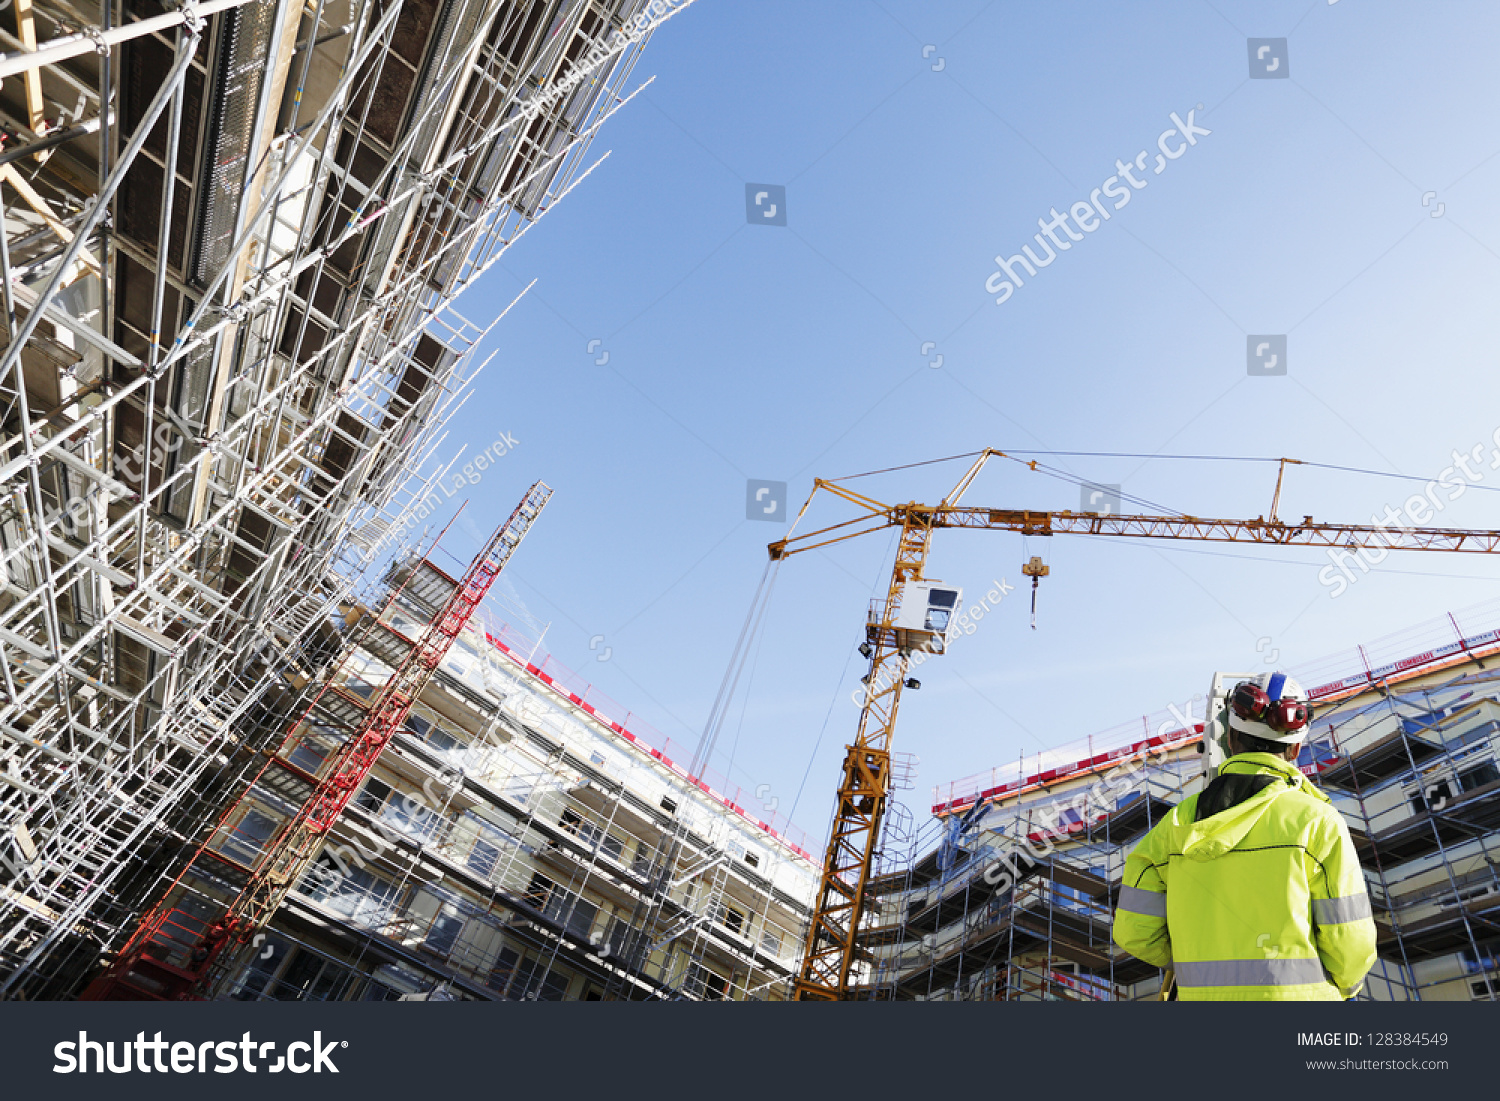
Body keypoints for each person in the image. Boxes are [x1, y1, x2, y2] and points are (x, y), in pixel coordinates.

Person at [1112, 672, 1377, 1000]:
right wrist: (1347, 987)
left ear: (1230, 739)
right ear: (1295, 748)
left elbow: (1133, 932)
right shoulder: (1317, 822)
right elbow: (1351, 940)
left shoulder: (1174, 827)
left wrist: (1196, 960)